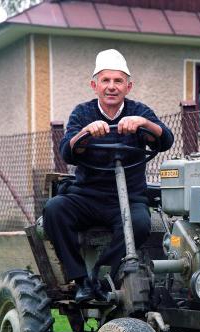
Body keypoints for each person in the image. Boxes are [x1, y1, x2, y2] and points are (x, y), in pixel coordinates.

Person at [44, 49, 174, 302]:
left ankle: (100, 277)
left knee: (140, 224)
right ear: (95, 85)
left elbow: (166, 139)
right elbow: (67, 151)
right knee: (54, 209)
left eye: (118, 81)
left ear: (128, 86)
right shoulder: (83, 113)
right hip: (87, 196)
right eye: (106, 81)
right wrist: (86, 133)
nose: (111, 87)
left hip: (127, 197)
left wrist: (144, 124)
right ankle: (80, 279)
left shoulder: (140, 111)